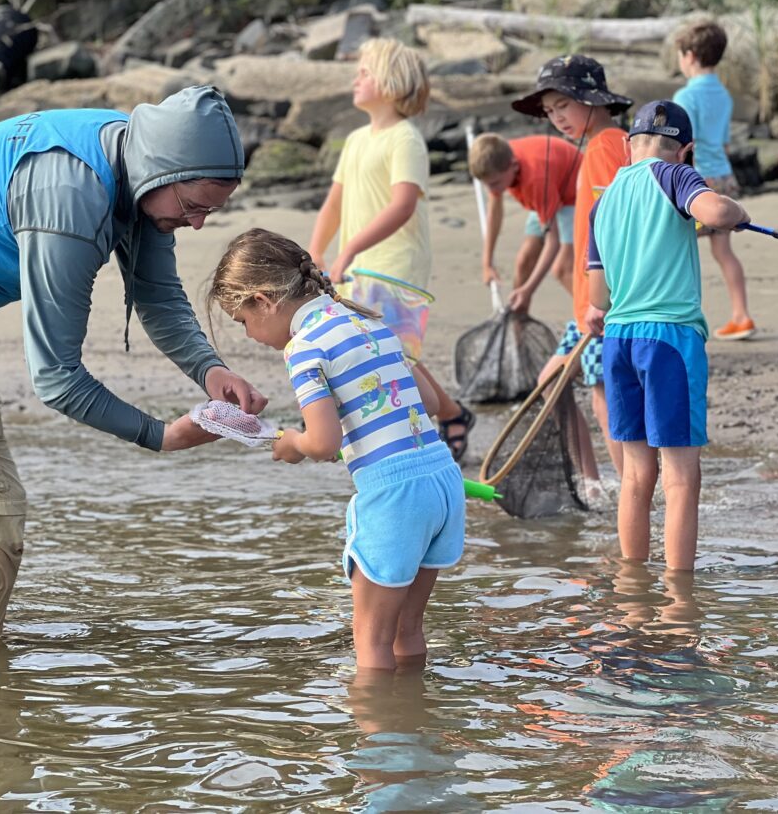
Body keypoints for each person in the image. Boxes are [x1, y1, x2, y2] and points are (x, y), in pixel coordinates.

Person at [0, 86, 266, 646]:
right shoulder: (71, 198)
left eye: (211, 210)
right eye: (192, 208)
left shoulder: (134, 154)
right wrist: (158, 435)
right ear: (158, 173)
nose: (200, 224)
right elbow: (57, 378)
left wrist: (211, 370)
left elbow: (156, 295)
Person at [207, 228, 465, 670]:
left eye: (242, 321)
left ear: (263, 300)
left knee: (372, 644)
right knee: (408, 629)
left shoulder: (303, 348)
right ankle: (414, 726)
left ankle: (381, 737)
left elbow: (322, 444)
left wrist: (291, 442)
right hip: (443, 481)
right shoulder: (369, 320)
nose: (248, 335)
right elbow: (432, 403)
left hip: (394, 496)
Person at [585, 100, 750, 571]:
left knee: (636, 474)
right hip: (669, 339)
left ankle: (633, 589)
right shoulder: (675, 176)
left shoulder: (605, 200)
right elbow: (715, 211)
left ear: (626, 144)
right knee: (681, 478)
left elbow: (600, 291)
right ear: (686, 150)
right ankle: (680, 600)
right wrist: (736, 211)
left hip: (618, 340)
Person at [308, 37, 476, 461]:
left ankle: (425, 424)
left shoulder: (405, 138)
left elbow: (402, 206)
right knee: (383, 349)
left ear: (390, 81)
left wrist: (349, 251)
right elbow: (334, 203)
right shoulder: (356, 139)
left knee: (393, 352)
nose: (355, 79)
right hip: (358, 264)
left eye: (364, 73)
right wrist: (315, 252)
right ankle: (448, 416)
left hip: (396, 265)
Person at [512, 54, 634, 480]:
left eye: (563, 105)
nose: (556, 118)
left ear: (592, 99)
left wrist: (602, 301)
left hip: (604, 305)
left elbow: (615, 226)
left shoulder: (606, 146)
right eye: (549, 112)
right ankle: (596, 484)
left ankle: (630, 493)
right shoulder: (609, 144)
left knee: (606, 403)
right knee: (554, 387)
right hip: (591, 303)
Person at [673, 20, 757, 341]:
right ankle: (742, 314)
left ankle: (681, 318)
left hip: (695, 181)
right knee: (724, 252)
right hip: (723, 176)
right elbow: (722, 143)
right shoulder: (722, 94)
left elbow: (681, 145)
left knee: (680, 250)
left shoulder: (685, 95)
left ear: (690, 56)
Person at [467, 132, 581, 312]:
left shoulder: (536, 180)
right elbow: (495, 210)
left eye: (495, 183)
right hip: (547, 194)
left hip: (574, 194)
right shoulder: (496, 159)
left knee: (562, 269)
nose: (491, 190)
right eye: (485, 184)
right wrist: (487, 263)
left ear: (513, 165)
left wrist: (529, 289)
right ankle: (517, 325)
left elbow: (553, 242)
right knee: (524, 261)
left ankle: (602, 326)